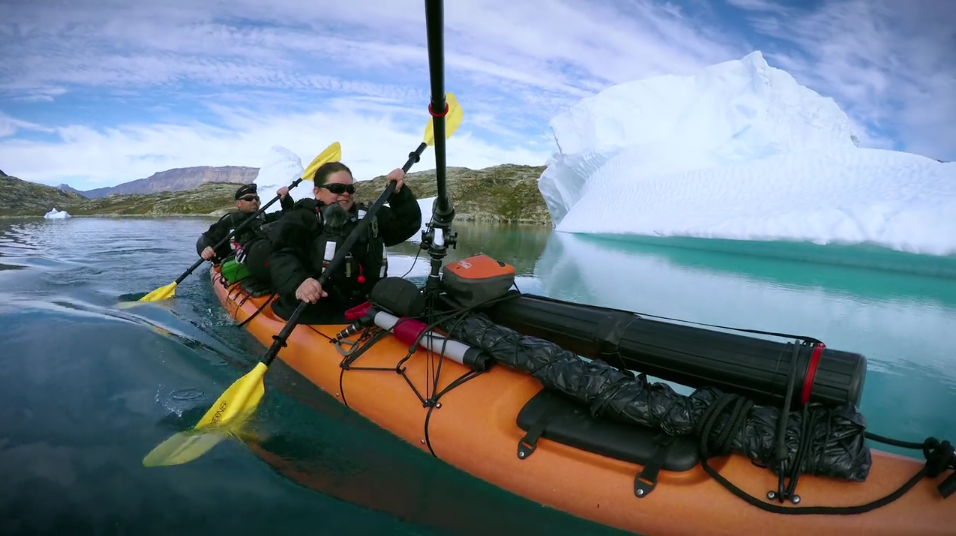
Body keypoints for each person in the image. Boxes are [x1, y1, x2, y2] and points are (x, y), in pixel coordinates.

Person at [266, 161, 422, 324]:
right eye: (337, 188)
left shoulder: (370, 217)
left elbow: (407, 224)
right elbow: (282, 255)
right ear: (317, 192)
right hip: (317, 312)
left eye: (350, 189)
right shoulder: (302, 218)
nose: (346, 193)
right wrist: (299, 283)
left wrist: (399, 195)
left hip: (366, 309)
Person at [195, 183, 294, 283]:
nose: (254, 201)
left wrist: (286, 199)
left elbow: (290, 216)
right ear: (239, 204)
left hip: (259, 263)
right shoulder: (228, 222)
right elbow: (208, 238)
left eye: (256, 198)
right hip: (232, 266)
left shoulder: (265, 218)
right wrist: (205, 249)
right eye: (249, 199)